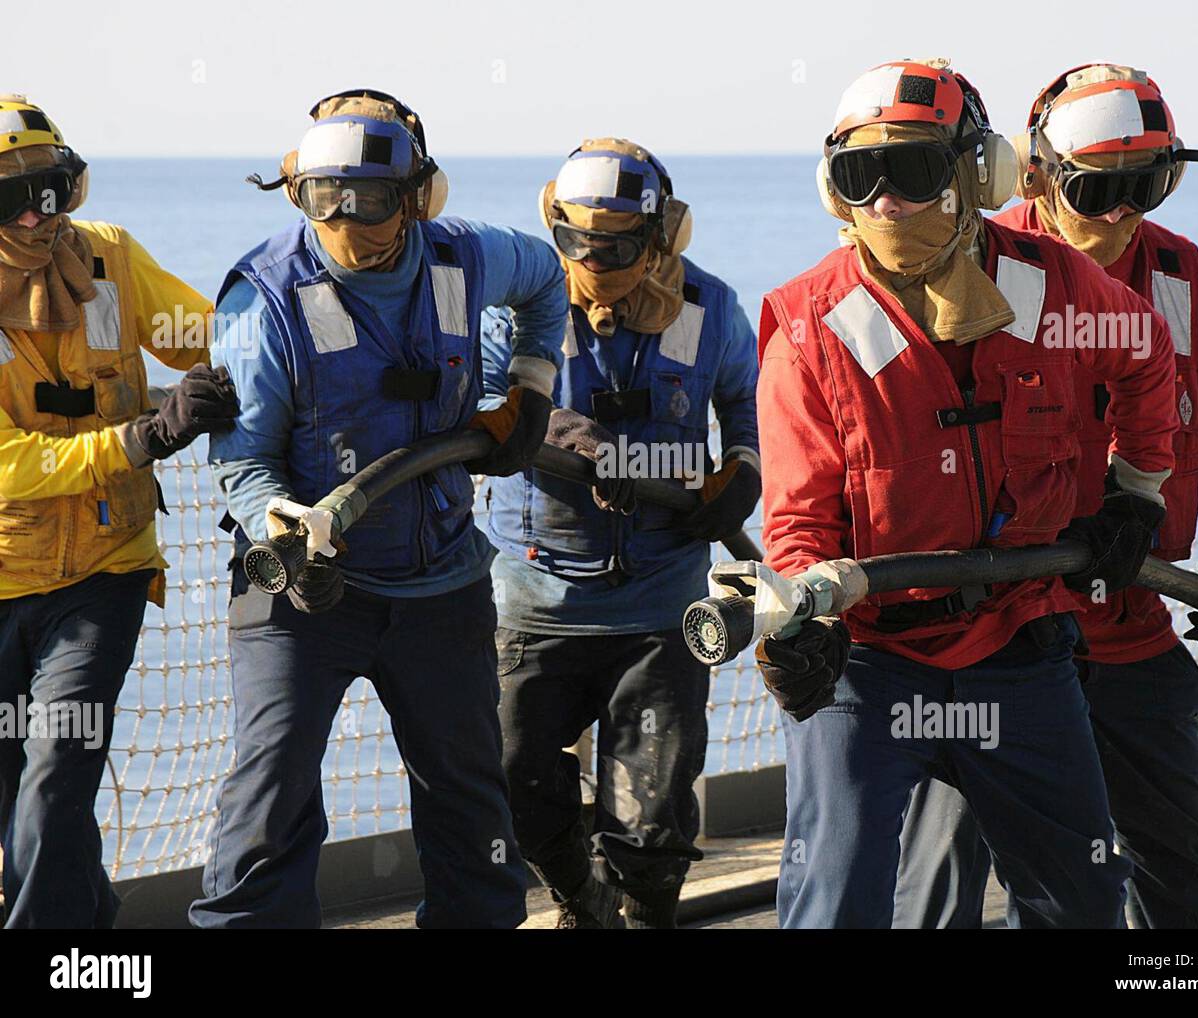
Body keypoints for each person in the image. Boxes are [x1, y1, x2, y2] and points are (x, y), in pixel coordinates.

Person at [754, 60, 1180, 928]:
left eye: (911, 172)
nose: (885, 202)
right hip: (868, 660)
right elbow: (797, 521)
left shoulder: (1056, 284)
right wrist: (799, 626)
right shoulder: (807, 327)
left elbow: (1144, 356)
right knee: (834, 901)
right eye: (856, 177)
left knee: (1083, 898)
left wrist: (1135, 492)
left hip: (1020, 640)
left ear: (973, 174)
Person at [895, 65, 1198, 930]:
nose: (1120, 214)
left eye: (1145, 187)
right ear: (1034, 173)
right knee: (935, 890)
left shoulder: (1181, 278)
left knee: (1187, 880)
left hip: (1130, 628)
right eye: (1098, 188)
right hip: (991, 637)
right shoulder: (972, 278)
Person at [189, 90, 569, 929]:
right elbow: (243, 463)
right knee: (271, 789)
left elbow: (548, 279)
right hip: (298, 592)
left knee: (471, 801)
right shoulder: (263, 302)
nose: (350, 223)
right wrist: (282, 529)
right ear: (301, 198)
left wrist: (529, 392)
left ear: (417, 196)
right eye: (328, 204)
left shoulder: (468, 259)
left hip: (440, 580)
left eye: (372, 203)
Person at [483, 139, 760, 928]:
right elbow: (485, 398)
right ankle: (582, 899)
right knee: (516, 780)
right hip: (536, 603)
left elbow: (745, 405)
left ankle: (642, 911)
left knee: (655, 813)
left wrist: (742, 472)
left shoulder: (712, 310)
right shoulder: (519, 306)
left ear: (664, 233)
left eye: (620, 246)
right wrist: (582, 443)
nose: (596, 260)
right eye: (578, 244)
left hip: (659, 608)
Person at [0, 96, 237, 928]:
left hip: (103, 571)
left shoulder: (112, 261)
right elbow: (10, 465)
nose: (37, 214)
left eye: (52, 190)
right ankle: (90, 937)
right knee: (22, 804)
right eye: (11, 198)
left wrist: (270, 355)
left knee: (58, 767)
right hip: (4, 579)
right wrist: (141, 437)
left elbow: (211, 333)